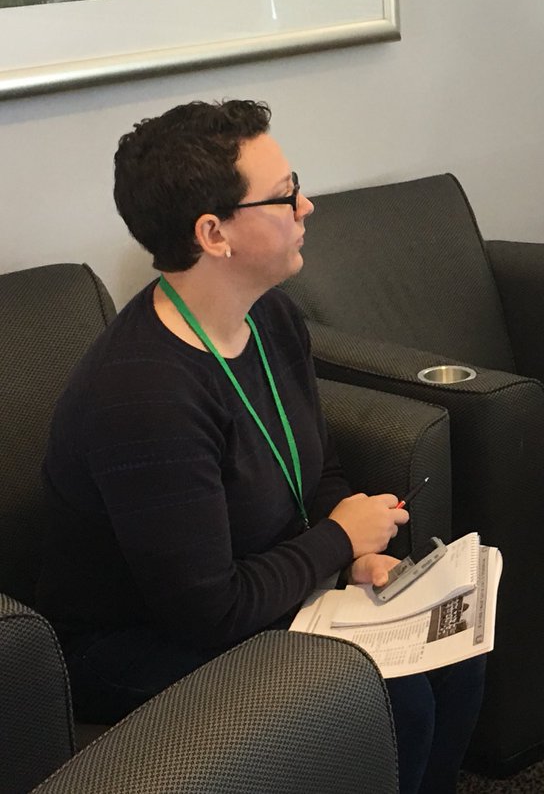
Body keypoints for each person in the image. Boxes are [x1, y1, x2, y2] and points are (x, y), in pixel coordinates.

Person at [37, 100, 484, 794]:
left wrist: (358, 555)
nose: (306, 206)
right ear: (214, 234)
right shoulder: (145, 396)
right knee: (395, 701)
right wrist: (339, 539)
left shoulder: (270, 315)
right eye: (284, 194)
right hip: (132, 640)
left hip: (259, 582)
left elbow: (317, 470)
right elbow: (208, 612)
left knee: (453, 652)